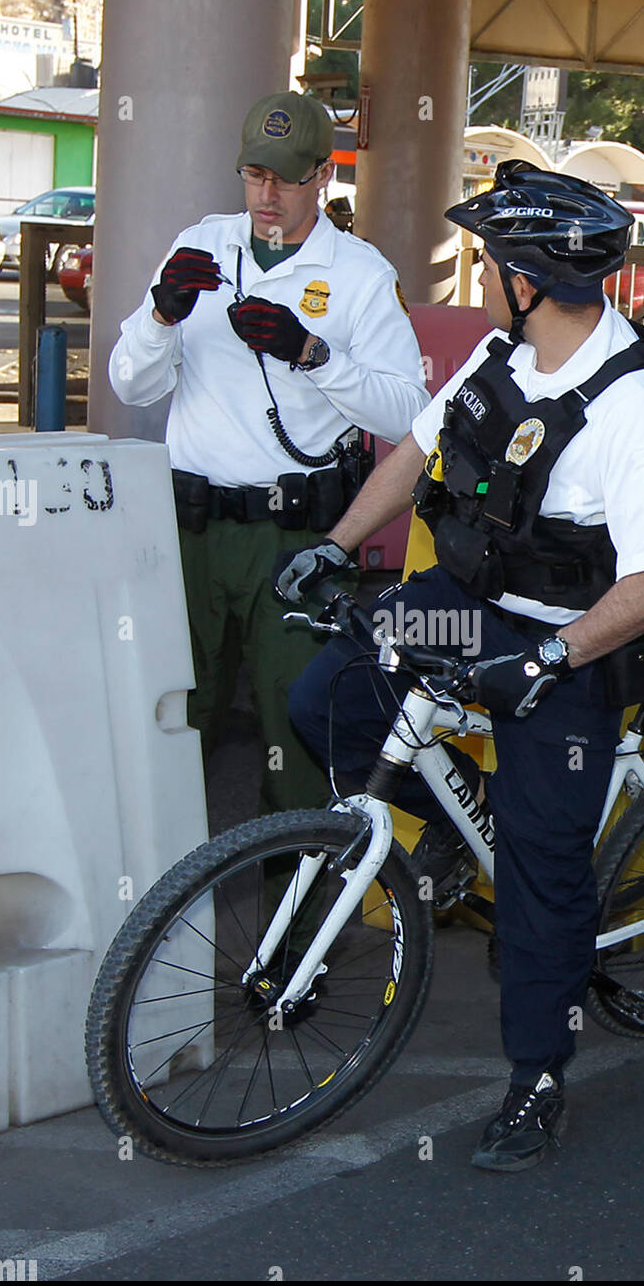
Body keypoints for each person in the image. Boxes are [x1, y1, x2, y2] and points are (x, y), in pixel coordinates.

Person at [279, 161, 644, 1172]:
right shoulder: (497, 354)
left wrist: (550, 658)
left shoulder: (631, 405)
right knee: (331, 692)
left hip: (573, 638)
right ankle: (451, 825)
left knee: (539, 873)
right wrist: (338, 545)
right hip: (471, 609)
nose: (478, 278)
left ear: (523, 277)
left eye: (486, 263)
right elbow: (412, 455)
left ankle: (537, 1079)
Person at [108, 90, 428, 814]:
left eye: (286, 176)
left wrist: (313, 354)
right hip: (190, 531)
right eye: (255, 174)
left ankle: (299, 923)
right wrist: (161, 315)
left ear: (323, 174)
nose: (268, 194)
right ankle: (161, 911)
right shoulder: (202, 244)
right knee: (172, 721)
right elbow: (130, 383)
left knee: (298, 732)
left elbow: (411, 412)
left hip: (294, 538)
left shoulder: (359, 273)